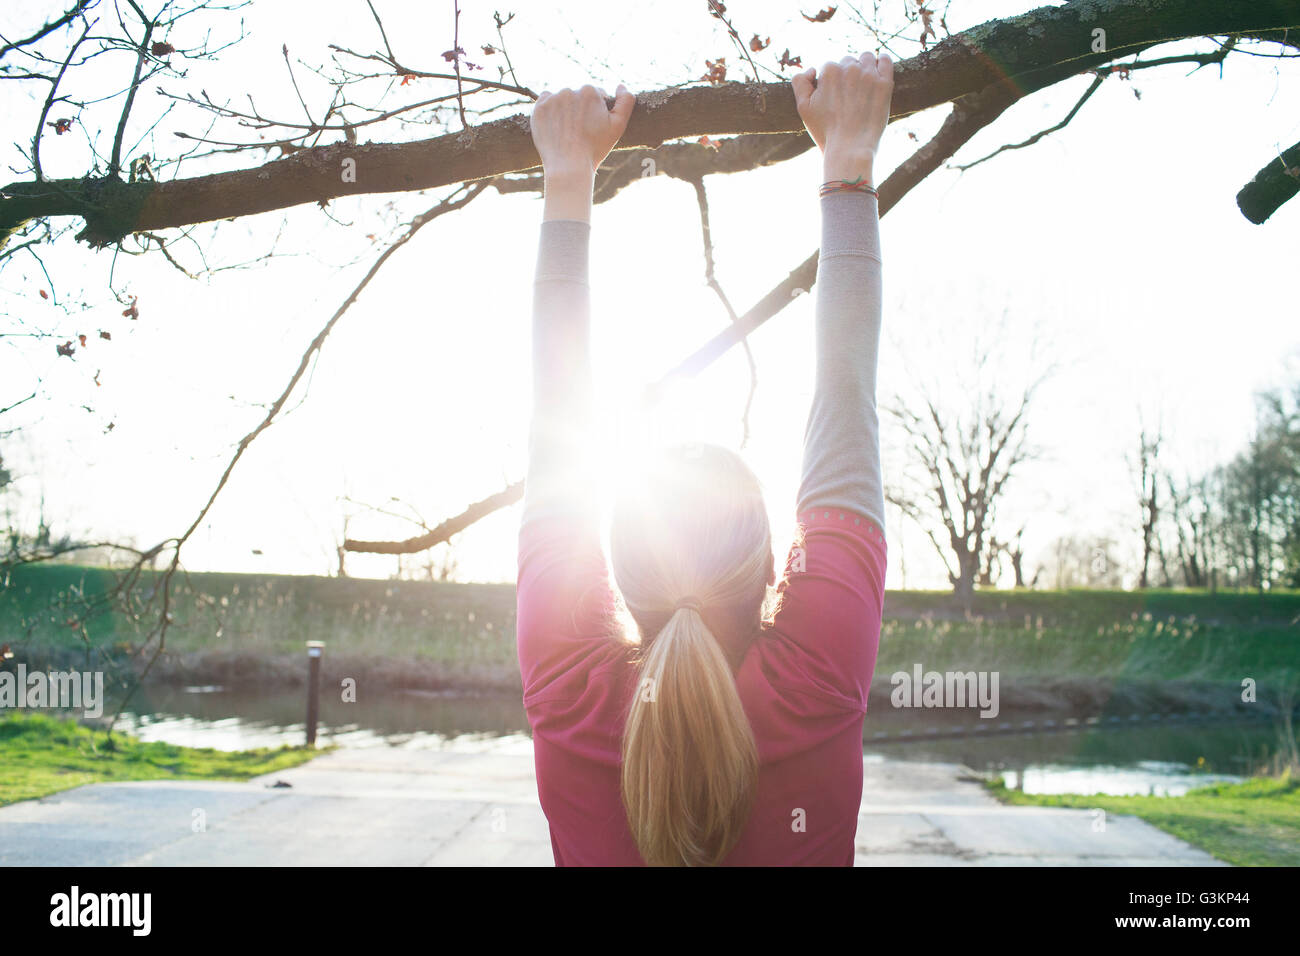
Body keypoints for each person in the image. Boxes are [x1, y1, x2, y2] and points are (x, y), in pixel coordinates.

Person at [516, 52, 893, 866]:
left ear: (620, 572)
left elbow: (558, 416)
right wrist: (848, 163)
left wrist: (568, 178)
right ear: (768, 571)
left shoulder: (571, 689)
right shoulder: (814, 676)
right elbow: (846, 395)